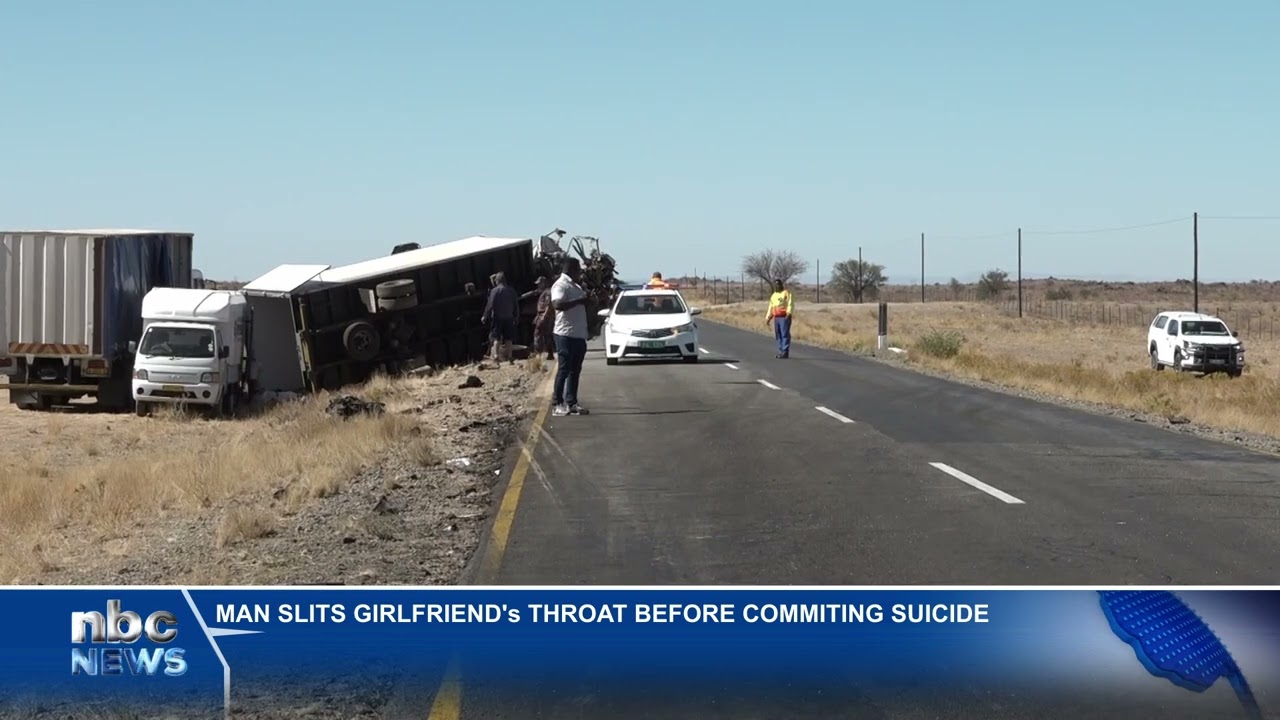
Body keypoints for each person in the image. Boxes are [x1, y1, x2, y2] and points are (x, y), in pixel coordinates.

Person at [551, 258, 590, 416]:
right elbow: (557, 305)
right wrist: (579, 301)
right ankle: (557, 404)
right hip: (565, 334)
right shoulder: (561, 285)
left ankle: (572, 403)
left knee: (575, 371)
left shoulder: (576, 286)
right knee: (564, 369)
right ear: (572, 270)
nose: (580, 273)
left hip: (578, 334)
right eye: (578, 270)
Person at [482, 271, 519, 362]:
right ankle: (510, 357)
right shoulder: (511, 290)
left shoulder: (494, 291)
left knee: (496, 338)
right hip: (509, 317)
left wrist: (485, 316)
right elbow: (516, 304)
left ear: (497, 280)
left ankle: (496, 356)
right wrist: (516, 316)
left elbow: (490, 305)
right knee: (508, 338)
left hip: (498, 318)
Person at [764, 278, 794, 358]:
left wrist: (789, 313)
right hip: (776, 317)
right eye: (776, 285)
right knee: (778, 335)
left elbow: (790, 303)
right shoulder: (774, 295)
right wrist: (768, 318)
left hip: (784, 317)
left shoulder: (786, 293)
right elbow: (771, 307)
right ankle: (781, 351)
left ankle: (785, 351)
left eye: (778, 284)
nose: (777, 286)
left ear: (781, 285)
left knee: (784, 334)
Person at [529, 276, 555, 360]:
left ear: (544, 283)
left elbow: (548, 305)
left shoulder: (547, 292)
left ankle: (538, 352)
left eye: (539, 284)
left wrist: (544, 315)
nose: (538, 285)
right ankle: (549, 353)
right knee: (546, 335)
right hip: (543, 315)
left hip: (544, 315)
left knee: (538, 334)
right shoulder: (545, 292)